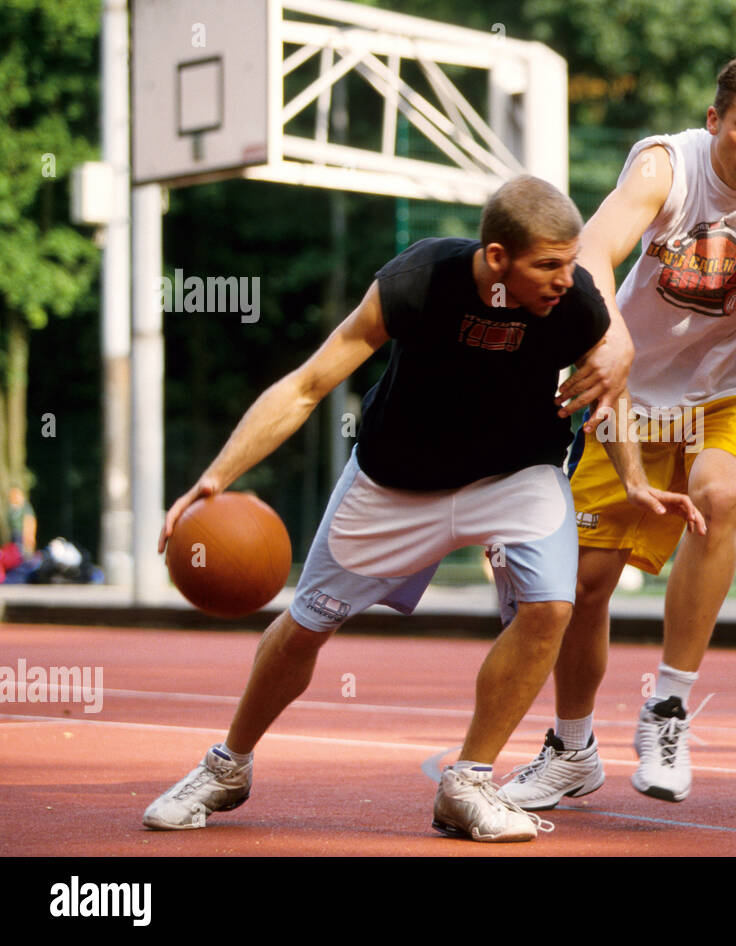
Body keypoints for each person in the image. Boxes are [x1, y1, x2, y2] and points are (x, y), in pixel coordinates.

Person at [141, 176, 703, 843]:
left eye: (570, 260)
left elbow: (613, 394)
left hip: (516, 475)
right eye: (547, 264)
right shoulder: (420, 282)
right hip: (395, 480)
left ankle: (467, 780)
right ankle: (227, 765)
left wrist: (634, 480)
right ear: (497, 258)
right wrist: (214, 478)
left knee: (554, 605)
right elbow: (307, 386)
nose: (566, 277)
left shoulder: (575, 304)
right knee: (305, 626)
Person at [501, 53, 736, 808]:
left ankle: (667, 708)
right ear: (714, 122)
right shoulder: (665, 165)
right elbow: (593, 252)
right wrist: (609, 342)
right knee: (584, 584)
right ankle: (571, 749)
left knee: (720, 492)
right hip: (635, 389)